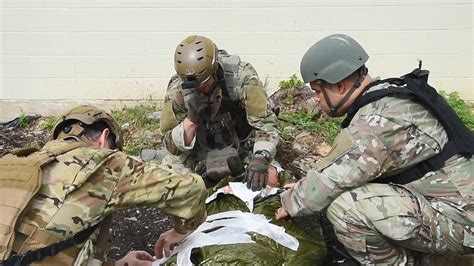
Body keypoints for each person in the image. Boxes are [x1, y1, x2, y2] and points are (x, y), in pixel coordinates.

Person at [276, 34, 474, 264]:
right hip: (455, 205)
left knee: (347, 208)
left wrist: (288, 203)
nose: (317, 100)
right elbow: (343, 168)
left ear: (339, 86)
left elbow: (330, 181)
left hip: (463, 220)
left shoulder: (375, 120)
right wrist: (302, 187)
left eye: (318, 92)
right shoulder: (393, 96)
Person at [0, 105, 208, 265]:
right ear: (104, 138)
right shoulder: (100, 161)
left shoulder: (13, 164)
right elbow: (191, 189)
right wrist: (179, 232)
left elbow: (48, 234)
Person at [160, 35, 280, 191]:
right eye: (190, 84)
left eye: (203, 83)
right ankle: (207, 175)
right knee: (172, 187)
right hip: (200, 153)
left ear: (214, 71)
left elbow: (266, 125)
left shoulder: (241, 78)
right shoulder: (177, 91)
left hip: (242, 148)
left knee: (270, 179)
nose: (197, 88)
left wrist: (260, 157)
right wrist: (191, 120)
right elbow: (170, 145)